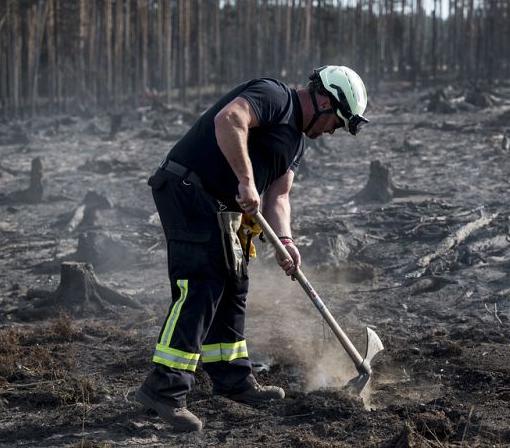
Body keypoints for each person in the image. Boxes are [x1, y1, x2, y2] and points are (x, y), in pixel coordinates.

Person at [135, 66, 369, 431]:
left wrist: (286, 242)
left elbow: (279, 195)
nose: (331, 132)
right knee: (201, 283)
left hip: (220, 205)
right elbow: (230, 120)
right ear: (325, 100)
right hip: (188, 188)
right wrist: (246, 181)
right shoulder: (274, 97)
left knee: (234, 282)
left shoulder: (296, 142)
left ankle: (232, 379)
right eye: (336, 123)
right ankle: (163, 388)